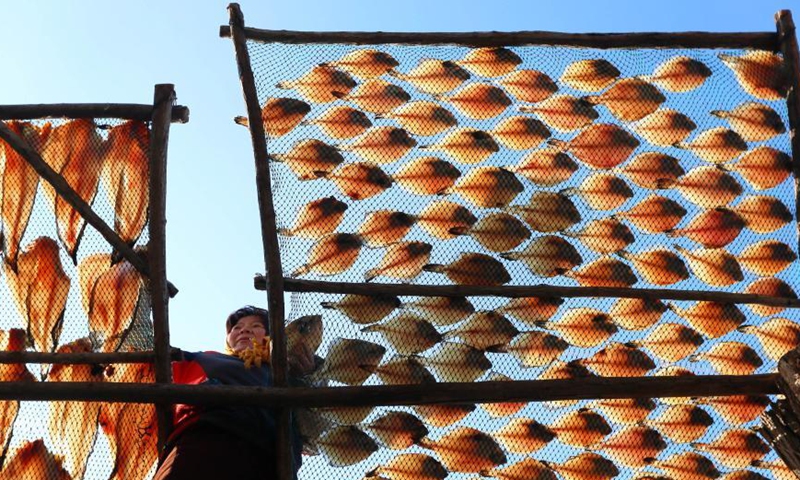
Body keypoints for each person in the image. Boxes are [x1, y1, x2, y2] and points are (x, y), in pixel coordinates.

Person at [153, 305, 316, 480]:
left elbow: (316, 429)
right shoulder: (205, 359)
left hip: (271, 460)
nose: (244, 330)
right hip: (200, 444)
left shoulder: (293, 371)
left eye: (256, 326)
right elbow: (144, 350)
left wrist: (308, 377)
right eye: (236, 327)